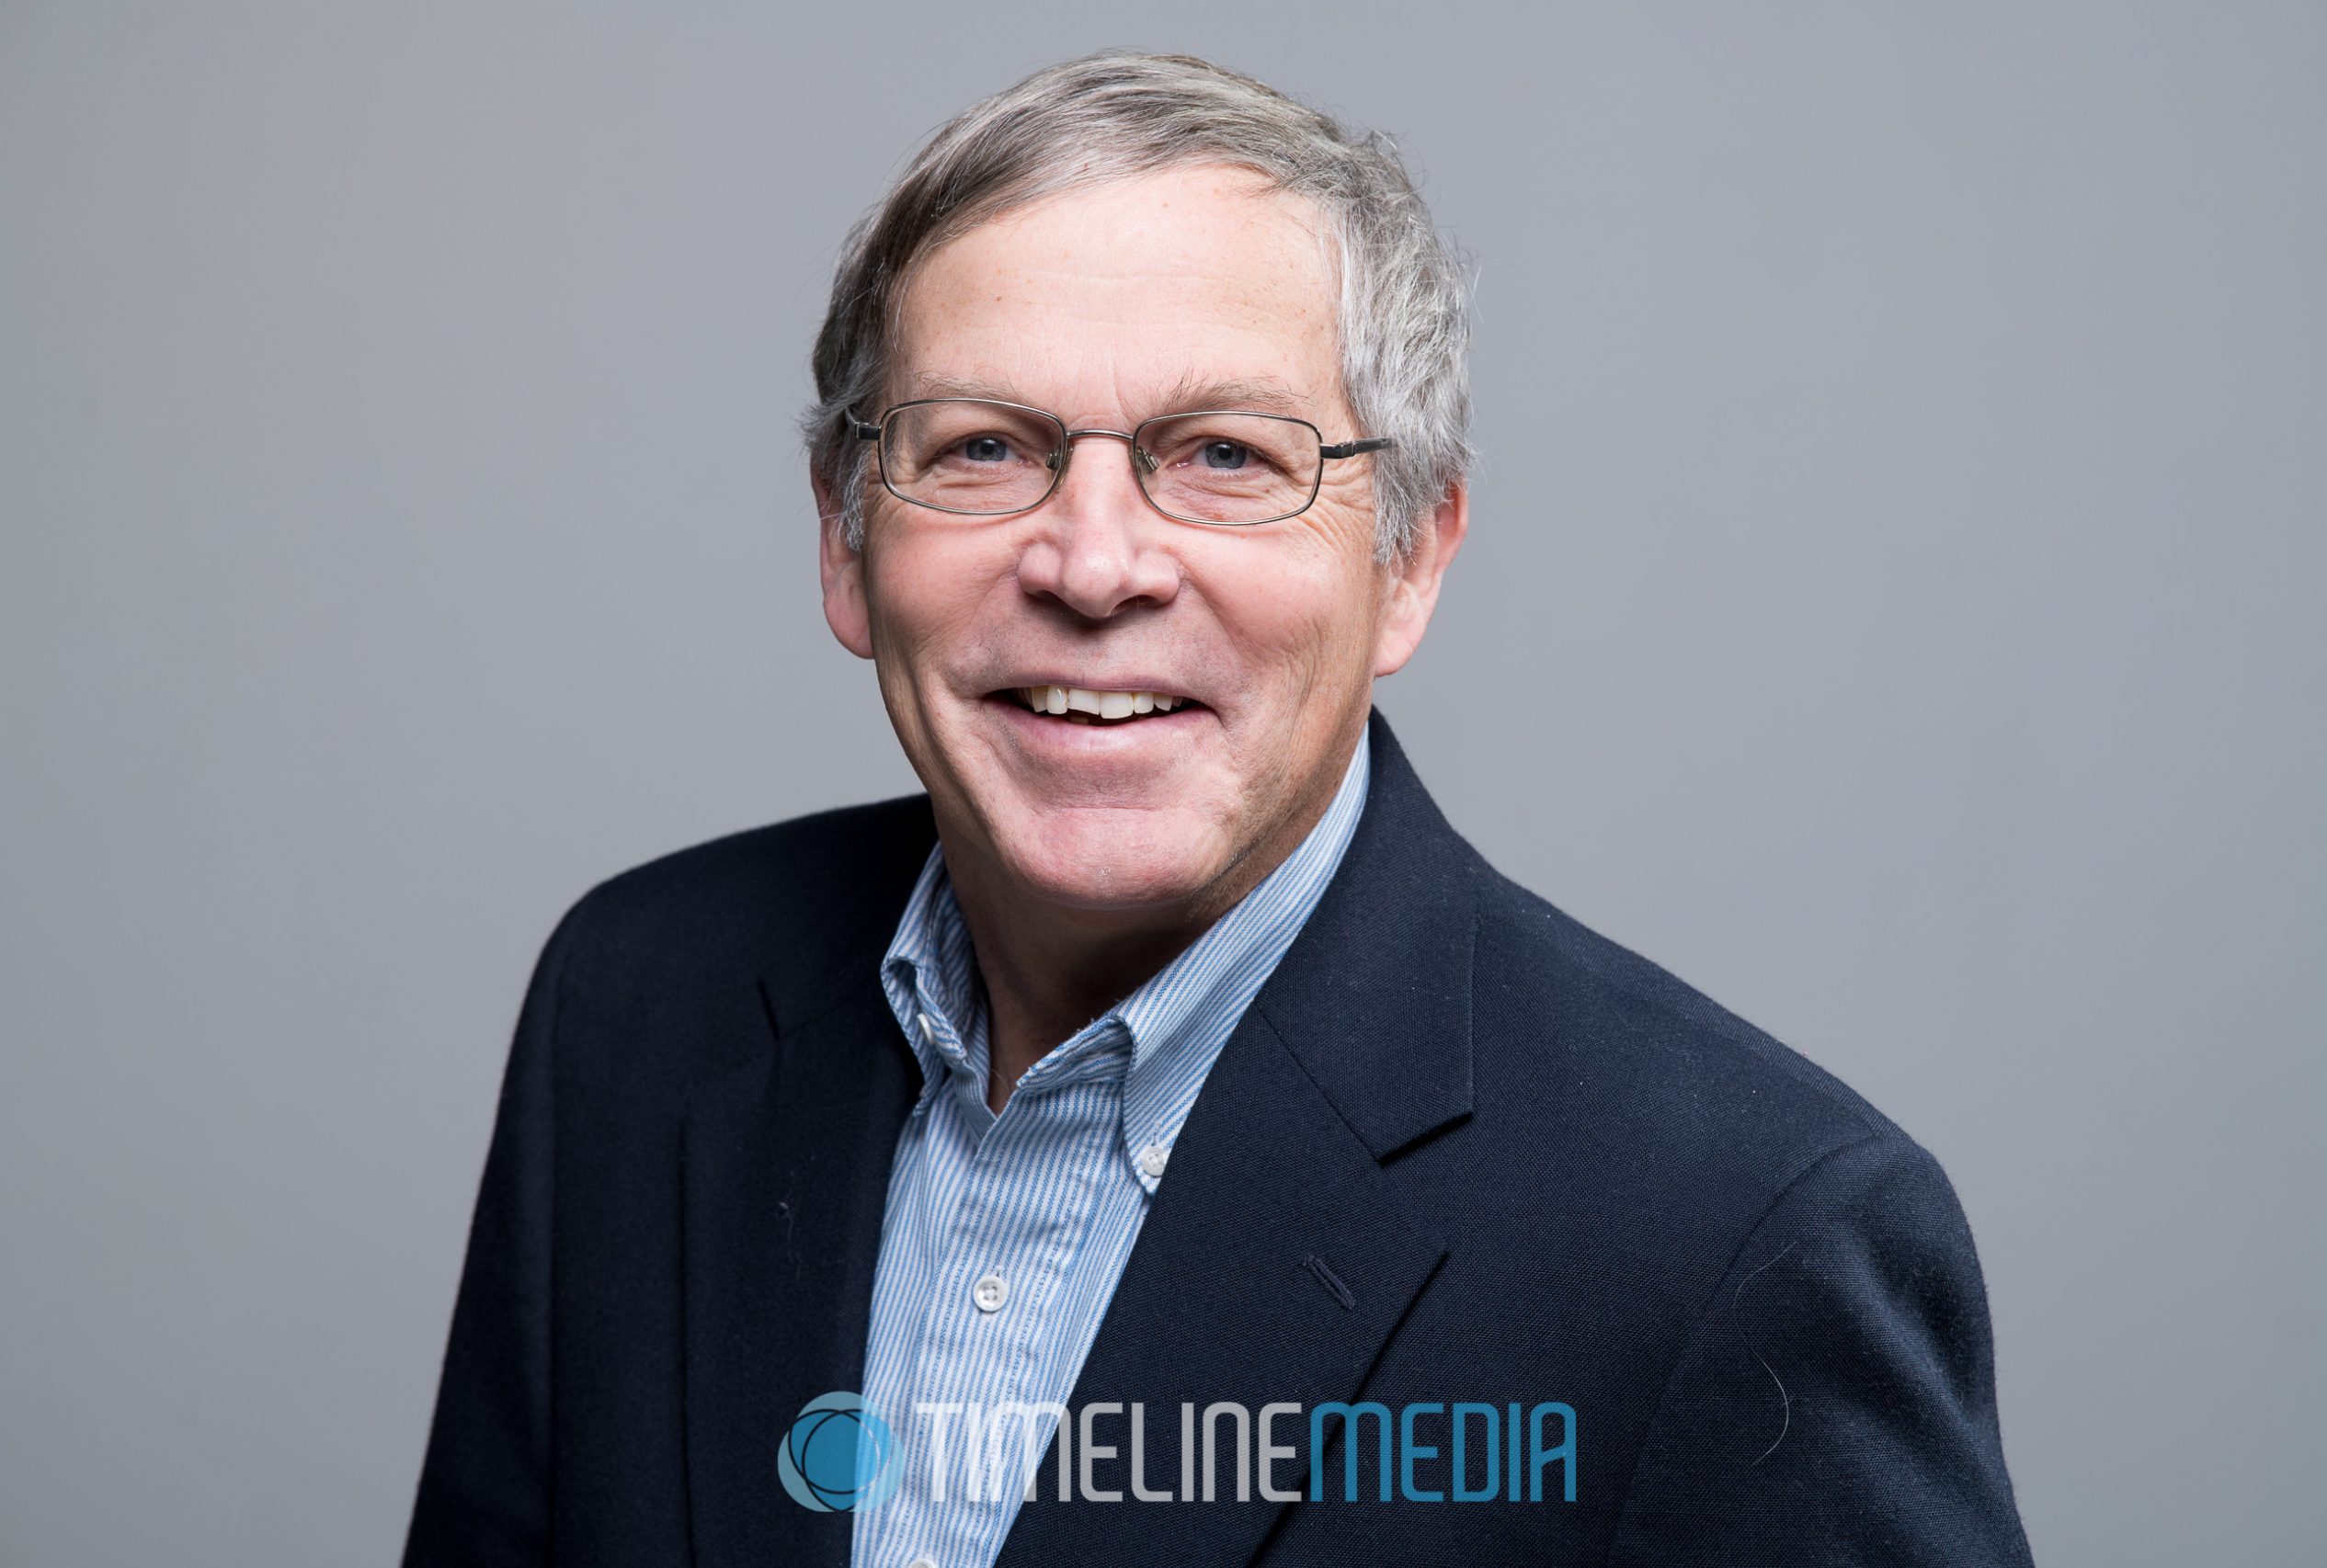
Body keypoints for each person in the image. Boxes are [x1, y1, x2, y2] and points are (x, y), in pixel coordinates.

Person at [404, 51, 2034, 1568]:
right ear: (845, 540)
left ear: (1408, 556)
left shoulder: (1738, 1243)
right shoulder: (632, 1010)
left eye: (1225, 456)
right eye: (982, 447)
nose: (1095, 563)